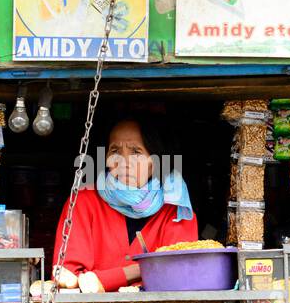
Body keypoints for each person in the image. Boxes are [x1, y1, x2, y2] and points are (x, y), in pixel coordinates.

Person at [53, 117, 198, 292]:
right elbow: (67, 277)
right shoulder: (83, 201)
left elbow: (178, 274)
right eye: (114, 151)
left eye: (136, 152)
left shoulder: (176, 207)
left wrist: (106, 279)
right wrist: (143, 268)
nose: (123, 162)